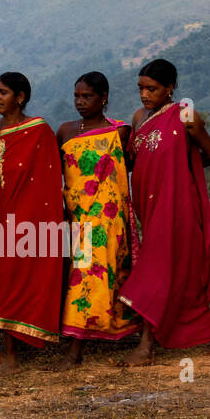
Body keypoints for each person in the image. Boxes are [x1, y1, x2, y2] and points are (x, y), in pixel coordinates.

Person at [119, 58, 210, 365]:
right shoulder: (138, 117)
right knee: (175, 273)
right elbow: (135, 160)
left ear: (170, 88)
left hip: (177, 206)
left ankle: (146, 346)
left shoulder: (185, 115)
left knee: (154, 270)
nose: (145, 95)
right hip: (149, 205)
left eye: (152, 88)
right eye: (141, 88)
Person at [0, 71, 64, 374]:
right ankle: (4, 352)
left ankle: (13, 355)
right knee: (1, 277)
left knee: (16, 277)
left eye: (3, 92)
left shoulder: (38, 129)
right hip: (0, 217)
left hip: (30, 220)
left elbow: (49, 178)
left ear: (20, 97)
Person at [54, 71, 139, 364]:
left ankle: (76, 347)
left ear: (103, 98)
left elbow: (129, 170)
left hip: (108, 217)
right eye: (76, 96)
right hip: (76, 216)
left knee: (91, 276)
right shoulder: (65, 131)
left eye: (87, 96)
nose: (80, 101)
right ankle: (101, 332)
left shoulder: (120, 132)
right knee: (84, 275)